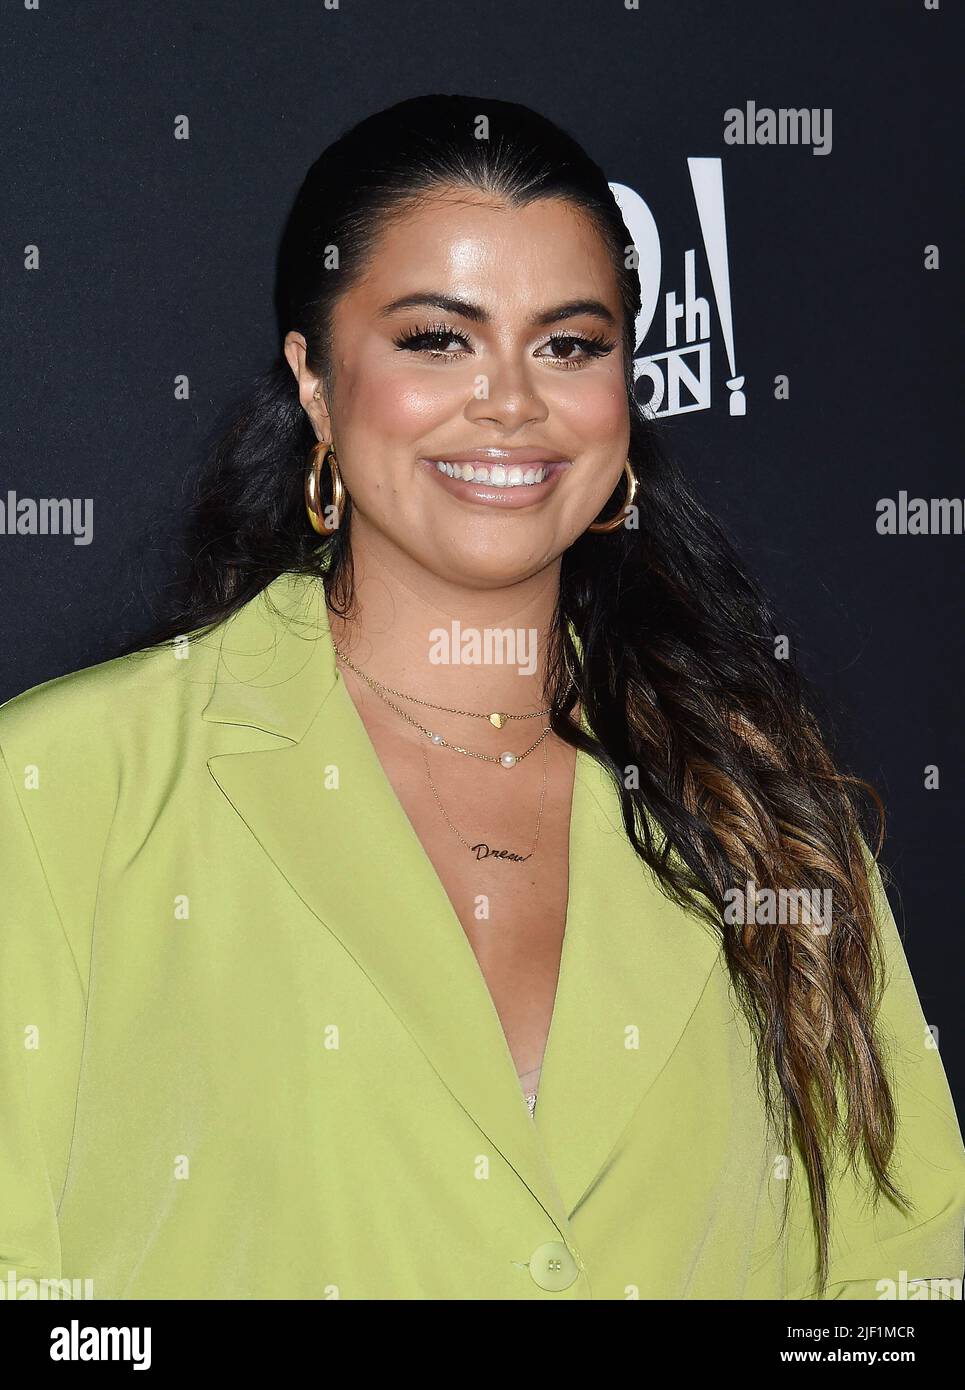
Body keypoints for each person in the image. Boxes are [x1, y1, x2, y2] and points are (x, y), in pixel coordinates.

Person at [2, 94, 963, 1301]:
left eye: (569, 343)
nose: (511, 400)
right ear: (312, 380)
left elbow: (899, 1272)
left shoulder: (760, 798)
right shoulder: (59, 787)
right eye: (436, 340)